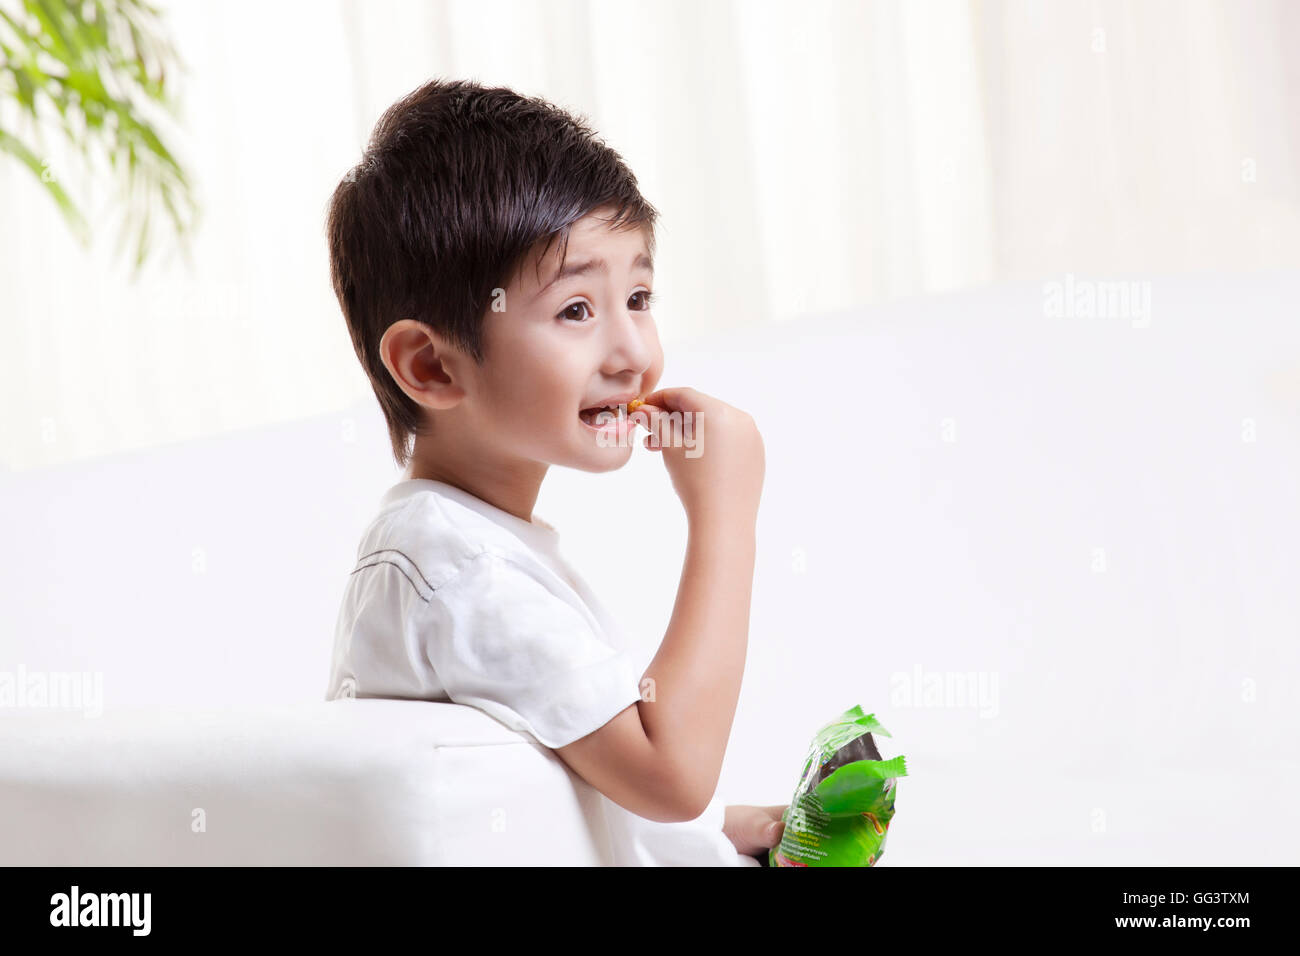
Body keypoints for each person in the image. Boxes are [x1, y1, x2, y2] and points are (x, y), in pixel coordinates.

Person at [323, 78, 783, 865]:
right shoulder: (457, 570)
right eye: (577, 310)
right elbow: (670, 774)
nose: (634, 352)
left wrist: (736, 831)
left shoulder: (466, 545)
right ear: (431, 367)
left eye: (638, 295)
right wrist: (725, 515)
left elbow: (560, 779)